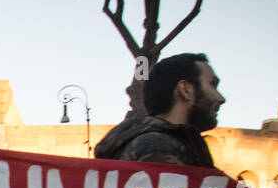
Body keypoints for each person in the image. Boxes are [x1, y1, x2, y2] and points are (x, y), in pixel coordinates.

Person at [93, 53, 224, 167]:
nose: (221, 98)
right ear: (185, 90)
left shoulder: (164, 145)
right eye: (212, 84)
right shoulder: (157, 147)